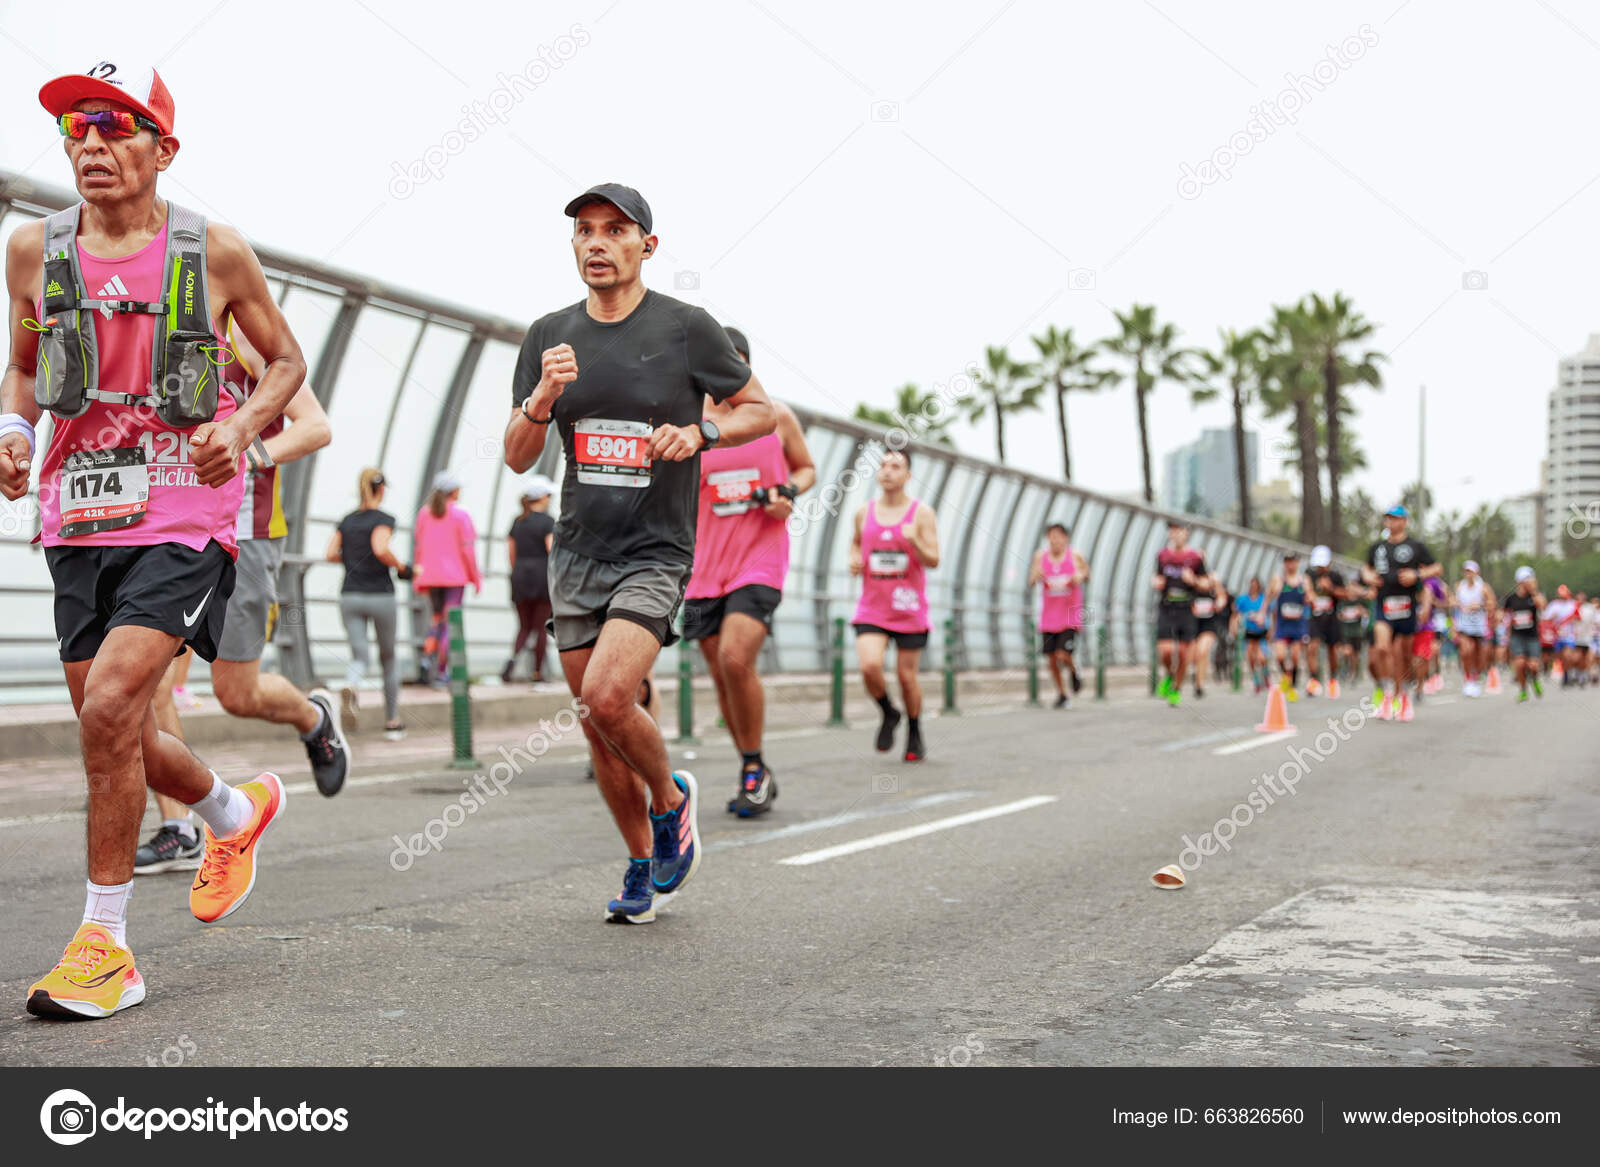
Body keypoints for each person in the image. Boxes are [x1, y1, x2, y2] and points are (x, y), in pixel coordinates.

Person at [3, 63, 304, 1016]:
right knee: (118, 723)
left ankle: (107, 946)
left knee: (109, 713)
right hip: (78, 512)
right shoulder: (29, 251)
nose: (89, 143)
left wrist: (241, 427)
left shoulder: (212, 251)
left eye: (113, 126)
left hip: (185, 509)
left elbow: (288, 362)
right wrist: (13, 434)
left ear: (162, 149)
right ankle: (233, 808)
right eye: (73, 129)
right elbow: (21, 368)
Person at [503, 183, 775, 924]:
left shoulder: (687, 328)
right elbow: (518, 457)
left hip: (656, 550)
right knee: (596, 725)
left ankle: (670, 801)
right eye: (584, 231)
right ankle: (635, 860)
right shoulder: (548, 336)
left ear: (645, 246)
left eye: (614, 231)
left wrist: (702, 434)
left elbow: (760, 409)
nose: (596, 243)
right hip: (578, 554)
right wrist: (541, 399)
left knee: (608, 696)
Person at [131, 321, 345, 875]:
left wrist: (245, 456)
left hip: (246, 530)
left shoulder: (244, 334)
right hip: (167, 528)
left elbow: (316, 427)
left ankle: (313, 717)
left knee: (236, 693)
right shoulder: (143, 330)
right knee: (145, 677)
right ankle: (179, 828)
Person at [681, 326, 816, 815]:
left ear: (747, 366)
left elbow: (806, 469)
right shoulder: (690, 424)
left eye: (733, 364)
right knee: (720, 673)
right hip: (703, 565)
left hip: (760, 557)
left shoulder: (776, 416)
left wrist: (789, 495)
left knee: (737, 657)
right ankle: (751, 763)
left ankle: (754, 768)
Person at [851, 448, 940, 759]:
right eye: (884, 465)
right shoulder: (864, 512)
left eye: (896, 466)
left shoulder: (922, 513)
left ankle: (914, 731)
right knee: (869, 666)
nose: (888, 471)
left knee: (906, 676)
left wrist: (915, 540)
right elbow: (855, 542)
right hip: (872, 607)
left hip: (908, 607)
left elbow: (934, 560)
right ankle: (889, 712)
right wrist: (853, 559)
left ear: (907, 476)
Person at [327, 467, 408, 740]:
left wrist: (350, 561)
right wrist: (400, 565)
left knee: (360, 655)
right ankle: (393, 721)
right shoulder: (384, 519)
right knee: (388, 657)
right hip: (380, 594)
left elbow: (330, 554)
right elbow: (380, 548)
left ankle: (351, 683)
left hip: (350, 595)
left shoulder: (347, 521)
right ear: (381, 489)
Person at [1361, 504, 1441, 722]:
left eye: (1395, 519)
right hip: (1383, 604)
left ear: (1404, 521)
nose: (1391, 522)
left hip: (1406, 607)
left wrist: (1416, 574)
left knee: (1401, 656)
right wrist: (1368, 577)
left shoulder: (1415, 546)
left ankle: (1401, 694)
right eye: (1388, 518)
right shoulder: (1378, 547)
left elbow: (1436, 568)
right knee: (1381, 648)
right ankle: (1386, 692)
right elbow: (1366, 568)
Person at [412, 470, 481, 686]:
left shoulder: (424, 513)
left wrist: (418, 577)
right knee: (450, 624)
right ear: (454, 491)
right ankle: (442, 672)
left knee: (436, 620)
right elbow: (467, 551)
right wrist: (476, 577)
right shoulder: (461, 515)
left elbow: (419, 547)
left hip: (430, 577)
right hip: (455, 578)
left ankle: (426, 659)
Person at [503, 475, 557, 685]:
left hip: (519, 575)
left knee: (524, 626)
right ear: (542, 497)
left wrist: (517, 570)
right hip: (541, 575)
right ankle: (537, 672)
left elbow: (511, 553)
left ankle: (512, 661)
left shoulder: (518, 521)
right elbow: (551, 549)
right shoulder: (548, 522)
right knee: (541, 626)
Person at [1028, 521, 1088, 708]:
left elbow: (1086, 573)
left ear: (1066, 538)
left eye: (1059, 536)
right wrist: (1036, 575)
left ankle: (1073, 670)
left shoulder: (1075, 555)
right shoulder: (1040, 557)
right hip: (1049, 617)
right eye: (1051, 536)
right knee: (1052, 658)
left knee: (1063, 654)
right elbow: (1031, 580)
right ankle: (1062, 693)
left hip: (1070, 616)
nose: (1055, 540)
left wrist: (1080, 576)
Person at [1151, 520, 1206, 707]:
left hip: (1186, 609)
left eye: (1180, 531)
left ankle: (1176, 689)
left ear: (1187, 533)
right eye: (1173, 531)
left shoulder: (1196, 557)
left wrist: (1194, 581)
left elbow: (1207, 583)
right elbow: (1157, 576)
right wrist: (1156, 581)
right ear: (1169, 534)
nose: (1176, 534)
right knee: (1166, 651)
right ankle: (1169, 674)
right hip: (1167, 607)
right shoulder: (1162, 556)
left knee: (1183, 654)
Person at [1267, 551, 1310, 701]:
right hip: (1282, 625)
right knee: (1280, 656)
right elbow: (1267, 599)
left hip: (1298, 625)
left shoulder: (1304, 580)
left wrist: (1310, 599)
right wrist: (1262, 614)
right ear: (1284, 564)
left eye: (1293, 561)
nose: (1291, 565)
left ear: (1298, 563)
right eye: (1287, 562)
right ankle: (1286, 677)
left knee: (1296, 657)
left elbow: (1310, 598)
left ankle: (1292, 686)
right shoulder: (1278, 580)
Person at [1304, 545, 1346, 698]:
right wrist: (1310, 595)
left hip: (1332, 617)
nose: (1320, 568)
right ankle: (1313, 679)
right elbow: (1307, 589)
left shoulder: (1336, 576)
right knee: (1312, 647)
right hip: (1315, 617)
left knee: (1332, 650)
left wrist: (1331, 589)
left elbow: (1345, 594)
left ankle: (1333, 679)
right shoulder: (1309, 574)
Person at [1503, 566, 1545, 702]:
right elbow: (1503, 614)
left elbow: (1542, 605)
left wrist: (1534, 591)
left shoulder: (1534, 596)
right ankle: (1523, 690)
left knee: (1533, 665)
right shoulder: (1511, 599)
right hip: (1517, 636)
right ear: (1519, 582)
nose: (1529, 583)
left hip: (1532, 636)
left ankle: (1535, 679)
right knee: (1520, 664)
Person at [1453, 561, 1493, 696]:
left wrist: (1480, 606)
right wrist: (1455, 604)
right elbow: (1455, 604)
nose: (1468, 574)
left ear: (1477, 572)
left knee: (1477, 654)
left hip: (1479, 625)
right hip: (1464, 624)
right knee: (1466, 651)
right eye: (1466, 571)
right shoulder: (1459, 586)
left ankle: (1475, 678)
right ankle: (1468, 678)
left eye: (1471, 571)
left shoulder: (1484, 587)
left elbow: (1492, 605)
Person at [1236, 576, 1270, 692]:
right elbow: (1236, 613)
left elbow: (1270, 614)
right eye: (1252, 585)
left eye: (1255, 585)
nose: (1253, 587)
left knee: (1261, 658)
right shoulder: (1243, 600)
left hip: (1261, 632)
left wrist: (1269, 628)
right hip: (1248, 632)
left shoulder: (1264, 599)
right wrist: (1235, 626)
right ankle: (1256, 681)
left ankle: (1266, 675)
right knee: (1250, 657)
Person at [1190, 571, 1221, 698]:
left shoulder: (1214, 590)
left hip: (1208, 626)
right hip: (1193, 626)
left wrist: (1216, 583)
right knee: (1195, 656)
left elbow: (1221, 601)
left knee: (1203, 651)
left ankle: (1199, 684)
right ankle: (1197, 675)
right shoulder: (1191, 587)